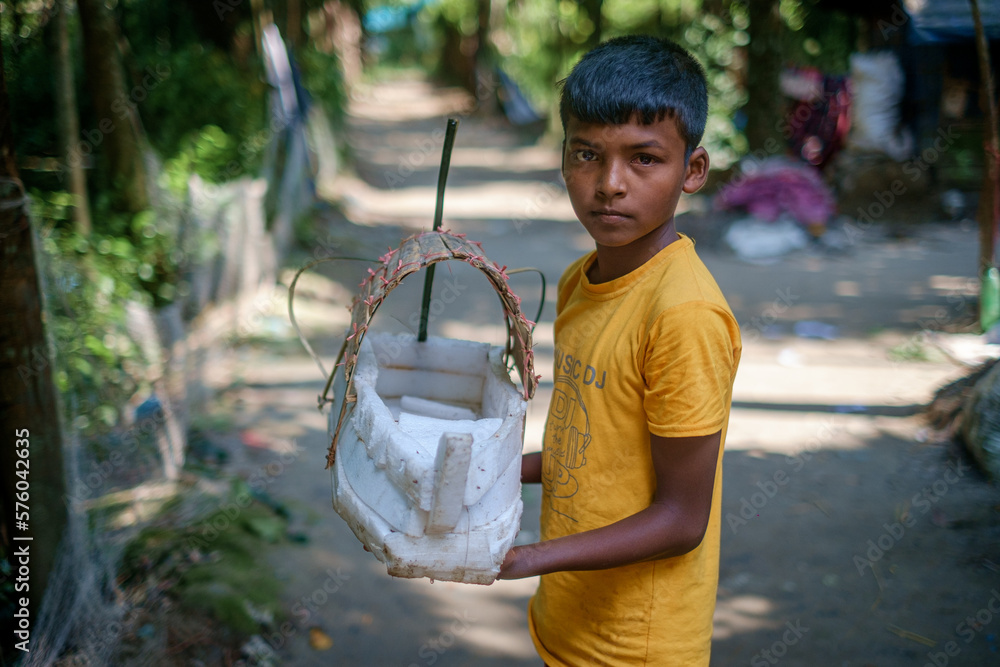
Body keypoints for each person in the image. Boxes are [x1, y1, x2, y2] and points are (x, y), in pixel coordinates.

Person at [497, 35, 742, 667]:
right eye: (588, 154)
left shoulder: (684, 314)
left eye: (644, 159)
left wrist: (526, 559)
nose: (610, 184)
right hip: (568, 620)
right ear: (564, 159)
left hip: (640, 645)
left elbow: (682, 519)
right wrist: (489, 466)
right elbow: (594, 449)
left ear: (692, 170)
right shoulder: (584, 279)